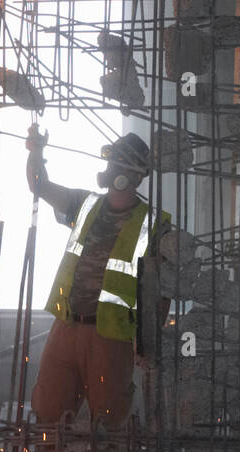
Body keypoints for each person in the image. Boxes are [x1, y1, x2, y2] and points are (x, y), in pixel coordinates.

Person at [25, 126, 172, 433]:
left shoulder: (153, 224)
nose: (110, 170)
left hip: (111, 337)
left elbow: (161, 290)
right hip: (67, 326)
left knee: (108, 420)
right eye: (111, 161)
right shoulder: (86, 204)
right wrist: (36, 151)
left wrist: (147, 344)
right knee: (49, 413)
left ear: (136, 174)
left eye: (118, 163)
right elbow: (40, 185)